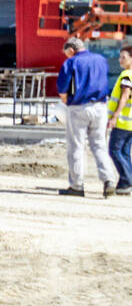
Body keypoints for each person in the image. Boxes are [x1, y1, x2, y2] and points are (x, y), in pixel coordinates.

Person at [57, 36, 117, 197]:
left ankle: (77, 185)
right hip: (100, 107)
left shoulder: (71, 62)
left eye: (66, 53)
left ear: (71, 50)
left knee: (76, 146)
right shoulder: (100, 59)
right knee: (99, 145)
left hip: (79, 107)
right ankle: (109, 180)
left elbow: (63, 86)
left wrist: (65, 99)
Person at [107, 42, 132, 195]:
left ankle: (128, 179)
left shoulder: (126, 76)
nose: (120, 60)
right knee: (125, 152)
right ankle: (124, 184)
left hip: (123, 121)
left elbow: (124, 96)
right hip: (130, 122)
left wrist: (114, 116)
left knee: (114, 150)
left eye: (123, 57)